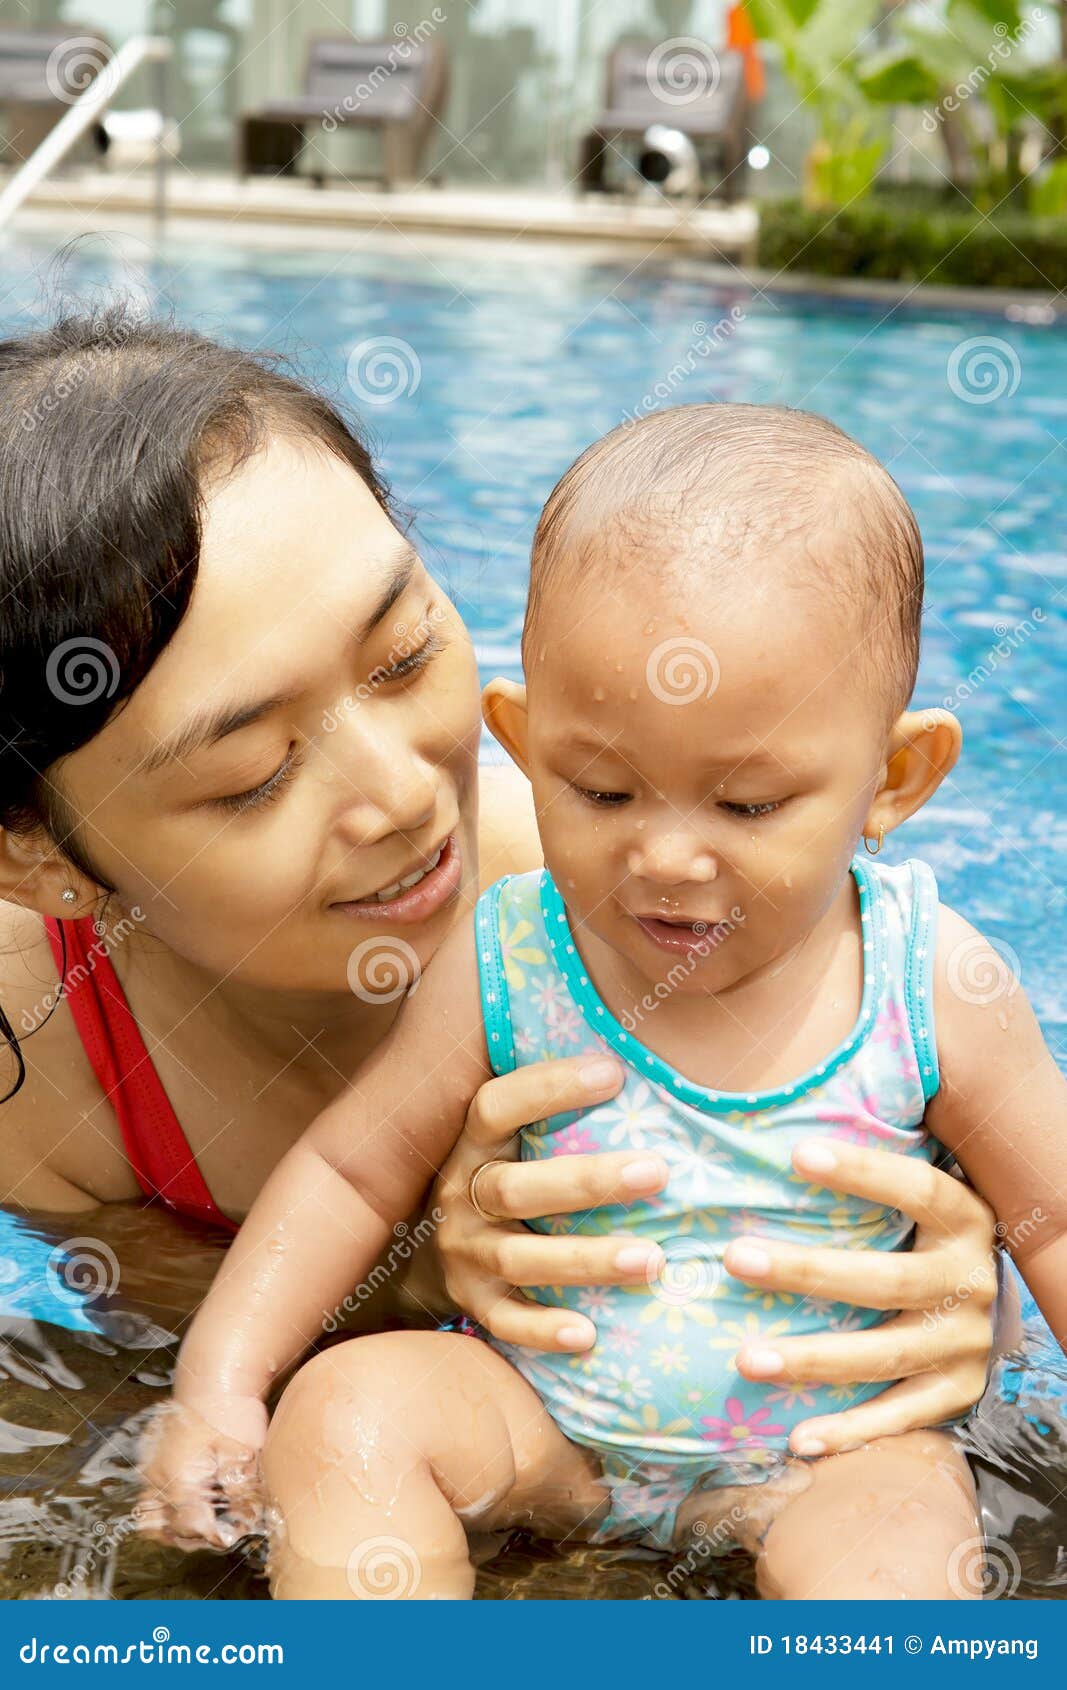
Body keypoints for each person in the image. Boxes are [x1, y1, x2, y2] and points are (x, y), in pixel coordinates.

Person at [0, 311, 998, 1538]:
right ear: (37, 857)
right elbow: (252, 1262)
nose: (407, 794)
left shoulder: (688, 909)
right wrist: (338, 1327)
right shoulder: (39, 1064)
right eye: (253, 774)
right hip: (520, 1424)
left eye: (402, 654)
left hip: (808, 1444)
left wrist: (975, 1298)